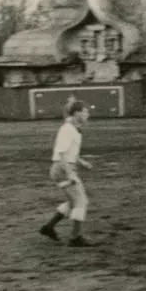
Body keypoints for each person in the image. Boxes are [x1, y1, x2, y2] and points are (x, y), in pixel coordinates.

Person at [39, 101, 97, 247]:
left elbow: (69, 152)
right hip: (63, 169)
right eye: (85, 112)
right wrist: (70, 173)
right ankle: (75, 238)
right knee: (81, 202)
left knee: (73, 202)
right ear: (77, 113)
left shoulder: (73, 129)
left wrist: (81, 161)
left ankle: (48, 227)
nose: (87, 115)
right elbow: (61, 153)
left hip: (62, 168)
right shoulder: (68, 129)